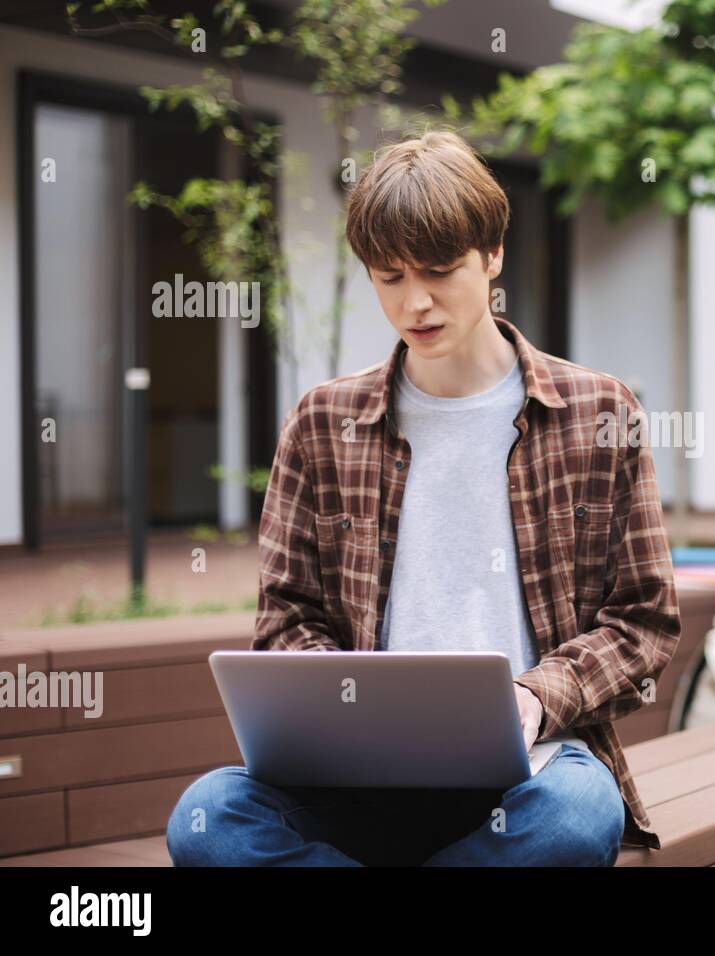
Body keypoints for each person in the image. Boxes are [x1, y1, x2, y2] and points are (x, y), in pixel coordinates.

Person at [166, 130, 680, 866]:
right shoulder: (321, 421)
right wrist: (346, 706)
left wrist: (535, 698)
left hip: (529, 775)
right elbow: (285, 622)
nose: (416, 302)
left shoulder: (597, 408)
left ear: (493, 254)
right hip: (356, 779)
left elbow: (644, 621)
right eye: (390, 277)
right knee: (206, 818)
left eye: (440, 270)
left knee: (577, 814)